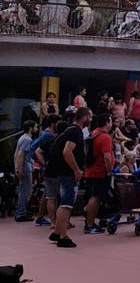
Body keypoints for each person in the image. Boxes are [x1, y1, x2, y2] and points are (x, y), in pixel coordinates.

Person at [49, 106, 92, 248]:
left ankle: (57, 232)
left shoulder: (70, 131)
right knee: (66, 204)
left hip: (62, 172)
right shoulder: (76, 132)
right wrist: (76, 169)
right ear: (84, 117)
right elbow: (67, 152)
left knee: (65, 202)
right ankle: (63, 236)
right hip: (69, 173)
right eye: (89, 117)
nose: (91, 120)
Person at [83, 113, 114, 233]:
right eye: (110, 121)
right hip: (100, 172)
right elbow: (107, 156)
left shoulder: (94, 133)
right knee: (96, 197)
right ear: (107, 122)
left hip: (91, 170)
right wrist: (109, 170)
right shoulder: (105, 137)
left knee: (93, 196)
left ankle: (89, 219)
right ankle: (89, 225)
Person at [32, 114, 60, 227]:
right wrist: (44, 163)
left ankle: (40, 215)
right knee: (51, 194)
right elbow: (37, 150)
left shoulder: (46, 133)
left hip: (46, 167)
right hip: (49, 166)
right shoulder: (49, 135)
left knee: (47, 193)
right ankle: (53, 220)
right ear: (54, 123)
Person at [14, 120, 37, 221]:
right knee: (26, 191)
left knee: (24, 190)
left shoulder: (23, 138)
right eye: (35, 127)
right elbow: (21, 155)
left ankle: (21, 212)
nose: (36, 129)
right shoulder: (27, 139)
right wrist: (19, 169)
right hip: (26, 167)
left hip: (25, 166)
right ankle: (20, 214)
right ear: (31, 128)